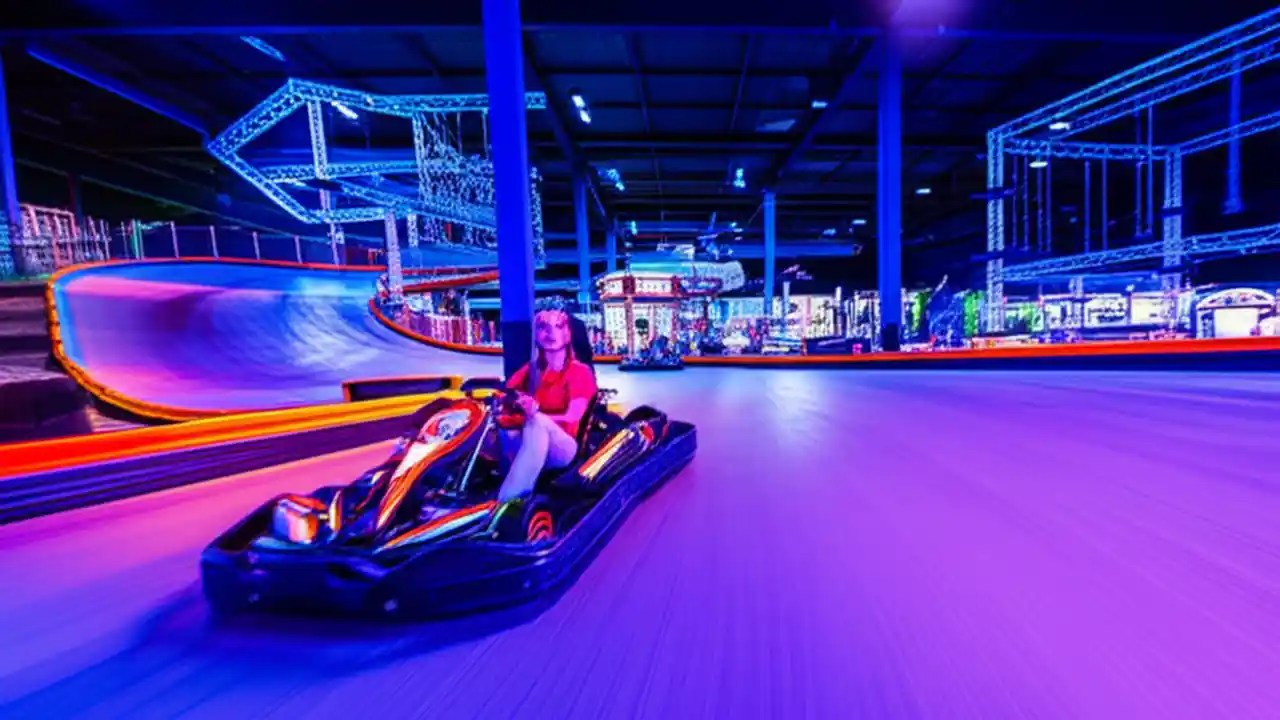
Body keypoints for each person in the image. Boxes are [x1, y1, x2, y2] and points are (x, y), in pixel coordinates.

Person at [495, 305, 598, 505]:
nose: (550, 333)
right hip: (531, 442)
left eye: (558, 327)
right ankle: (461, 488)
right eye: (543, 327)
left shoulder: (580, 372)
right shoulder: (531, 370)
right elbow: (506, 393)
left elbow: (573, 417)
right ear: (536, 335)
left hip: (564, 445)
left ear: (568, 334)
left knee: (537, 423)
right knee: (499, 425)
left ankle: (510, 501)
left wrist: (534, 413)